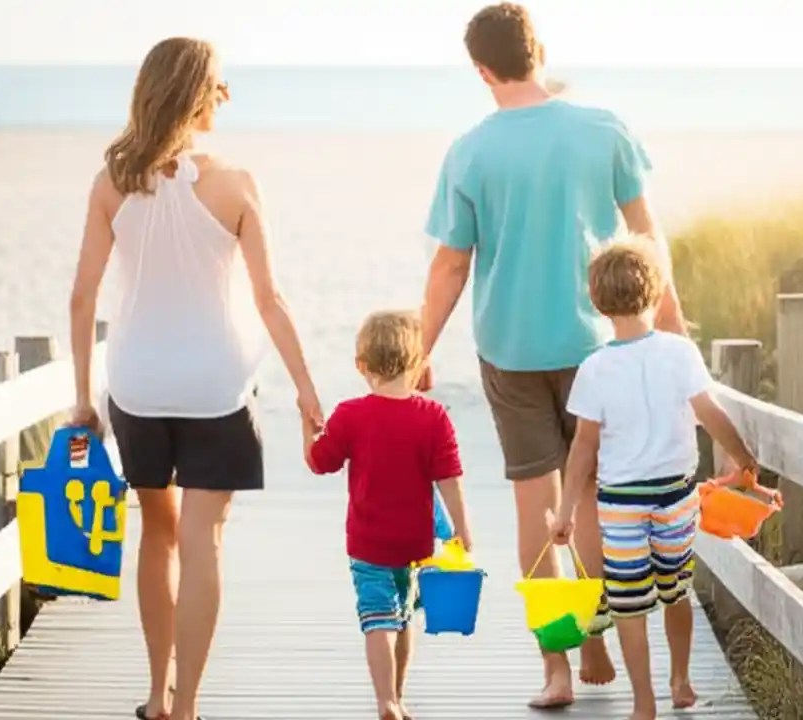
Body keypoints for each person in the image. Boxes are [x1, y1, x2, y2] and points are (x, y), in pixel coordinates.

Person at [418, 3, 689, 709]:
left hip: (508, 352)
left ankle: (558, 670)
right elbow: (648, 240)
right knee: (595, 502)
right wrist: (676, 336)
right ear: (539, 52)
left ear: (483, 70)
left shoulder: (470, 150)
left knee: (536, 512)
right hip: (597, 350)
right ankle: (602, 637)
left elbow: (450, 267)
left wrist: (419, 351)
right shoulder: (604, 130)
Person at [67, 37, 322, 720]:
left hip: (138, 386)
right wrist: (306, 388)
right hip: (217, 386)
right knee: (204, 541)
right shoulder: (236, 182)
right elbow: (271, 301)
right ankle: (187, 708)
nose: (224, 100)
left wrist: (82, 399)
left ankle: (155, 695)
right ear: (197, 95)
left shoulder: (109, 182)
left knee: (159, 534)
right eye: (219, 87)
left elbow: (82, 300)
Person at [550, 241, 765, 720]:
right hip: (675, 494)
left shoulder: (594, 368)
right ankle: (682, 680)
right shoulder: (680, 352)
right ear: (655, 292)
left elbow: (583, 447)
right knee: (676, 590)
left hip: (621, 500)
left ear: (596, 301)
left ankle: (643, 701)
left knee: (628, 604)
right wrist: (744, 458)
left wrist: (565, 512)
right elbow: (709, 413)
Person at [305, 311, 473, 720]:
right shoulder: (433, 417)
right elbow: (449, 477)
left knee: (377, 620)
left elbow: (319, 462)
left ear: (362, 366)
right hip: (416, 544)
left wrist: (306, 427)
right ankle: (399, 694)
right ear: (418, 365)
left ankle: (386, 701)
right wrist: (462, 531)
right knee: (403, 619)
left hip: (368, 543)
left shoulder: (350, 414)